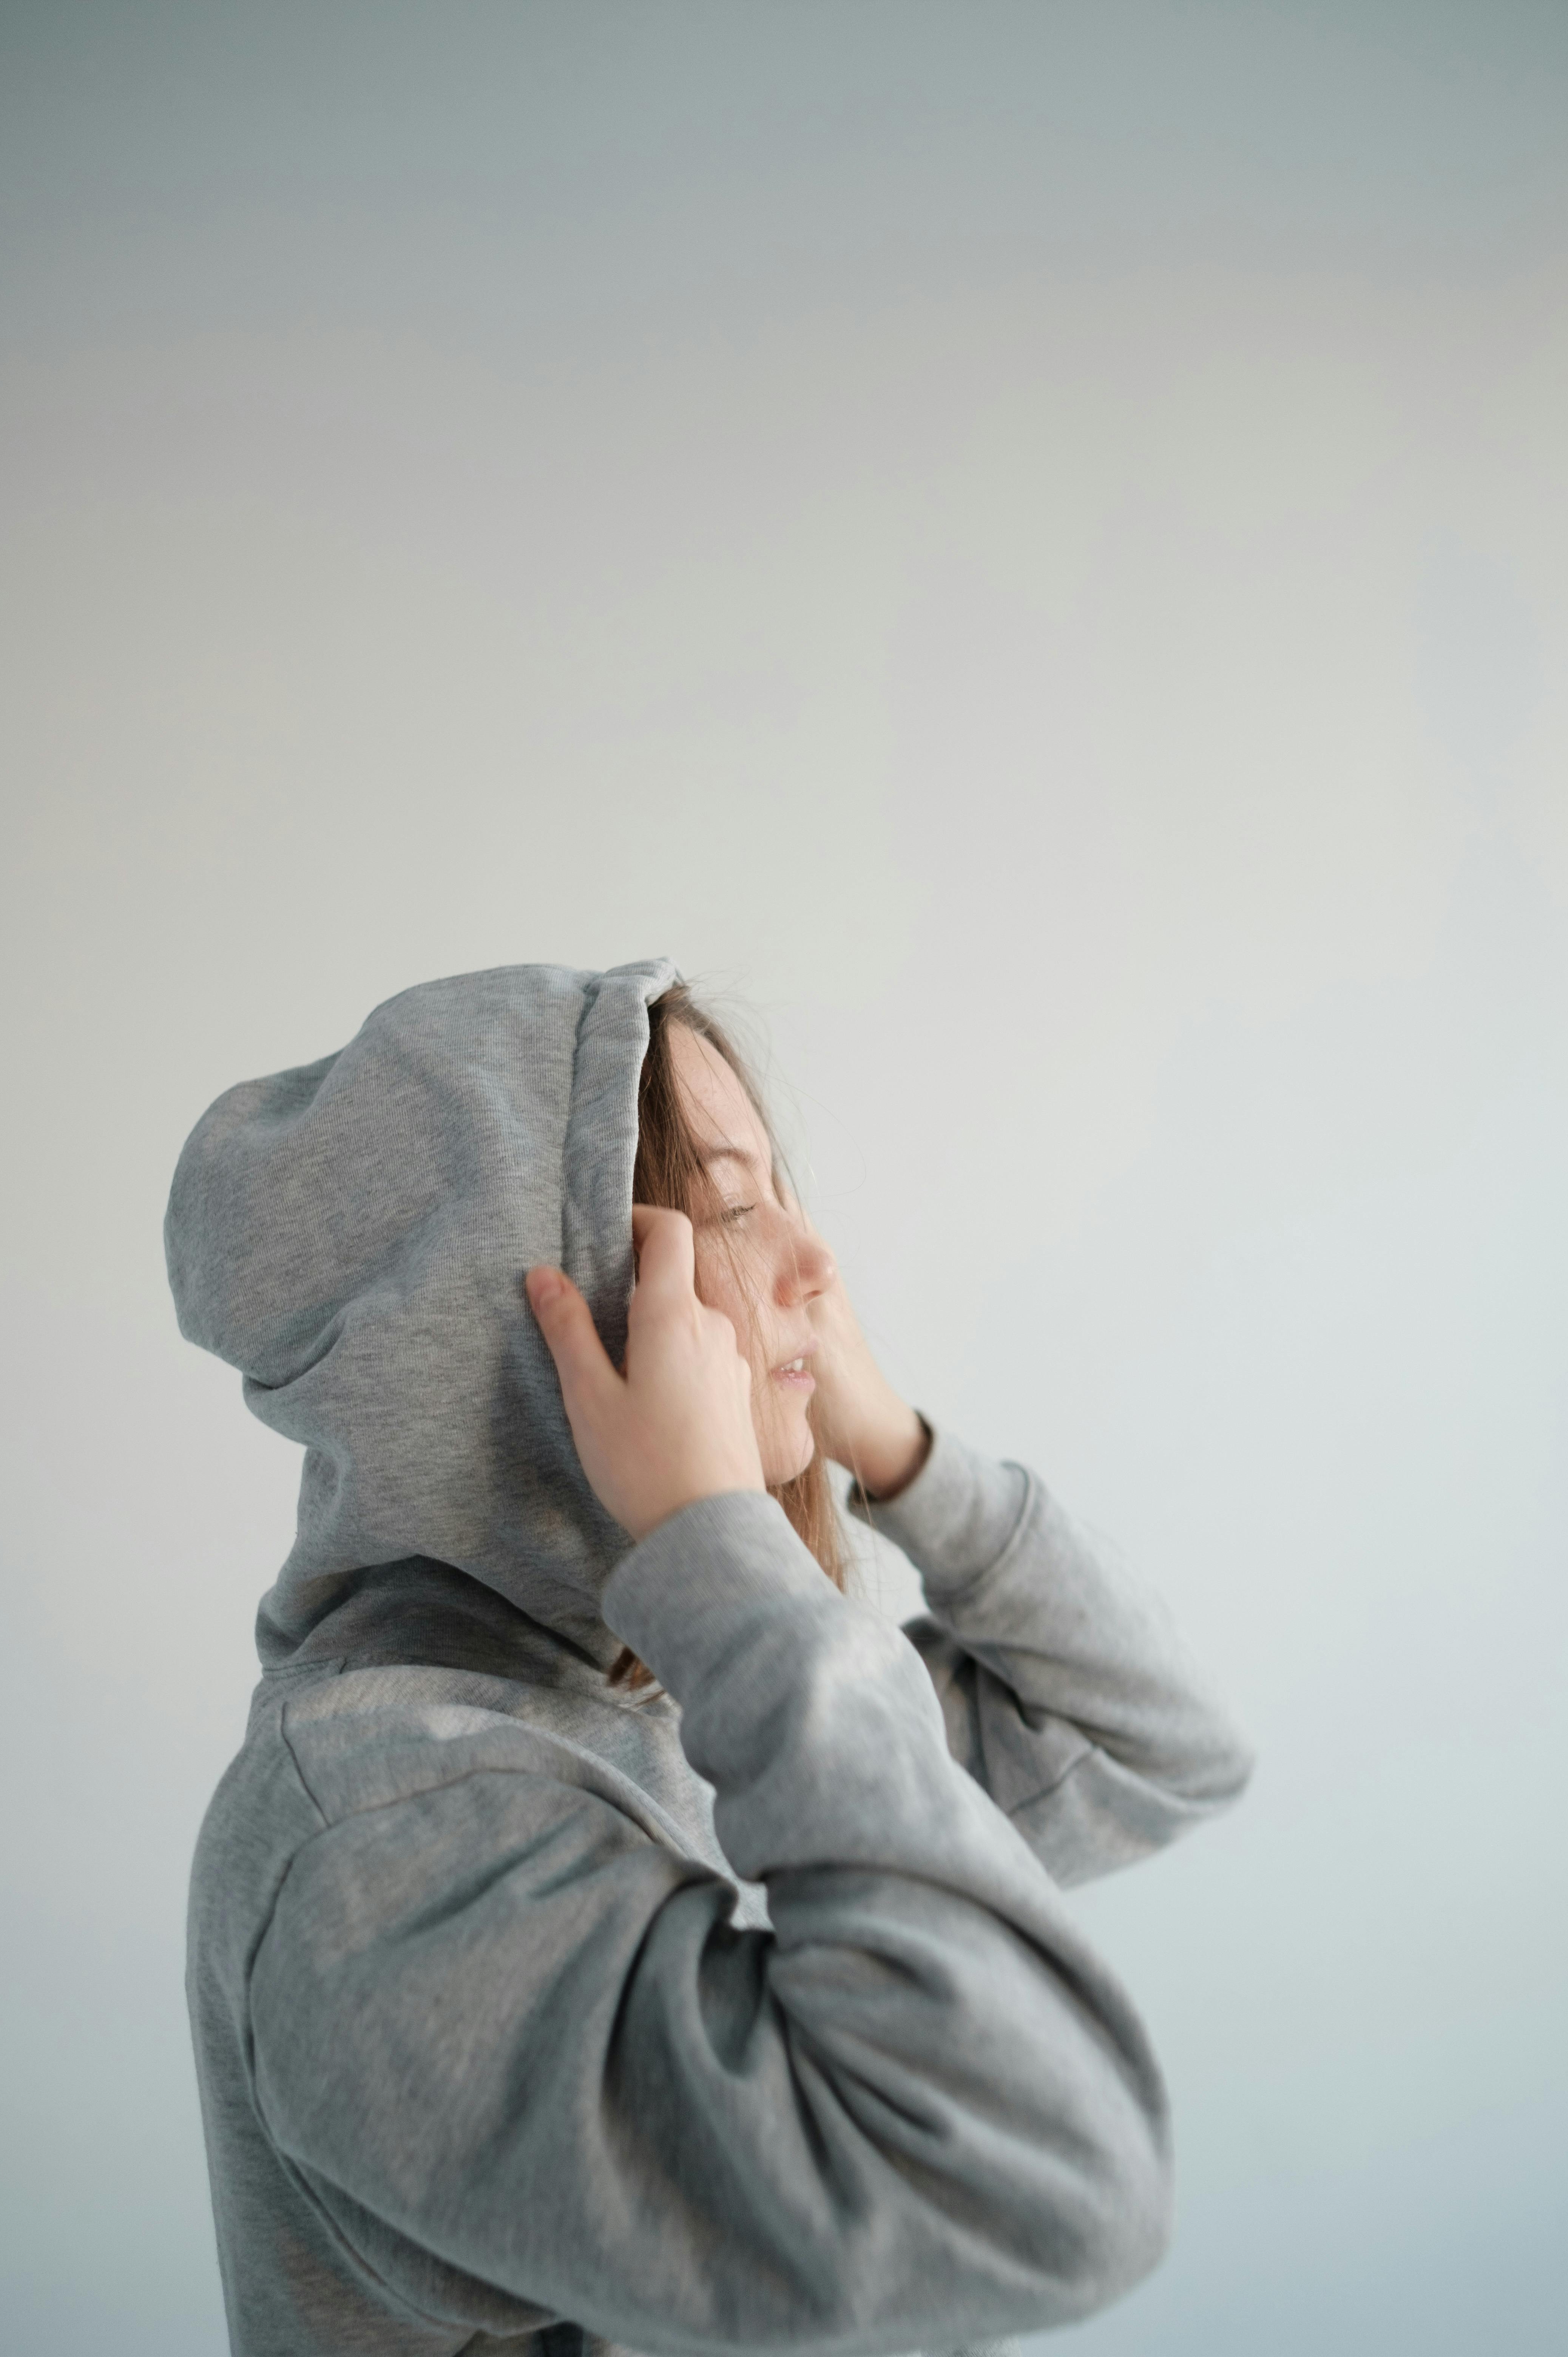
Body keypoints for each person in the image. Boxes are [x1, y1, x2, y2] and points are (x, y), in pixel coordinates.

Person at [167, 957, 1252, 2357]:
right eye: (735, 1211)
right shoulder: (379, 1848)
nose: (818, 1268)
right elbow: (1047, 2192)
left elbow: (1161, 1746)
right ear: (524, 1319)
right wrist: (711, 1540)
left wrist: (899, 1451)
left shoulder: (664, 1695)